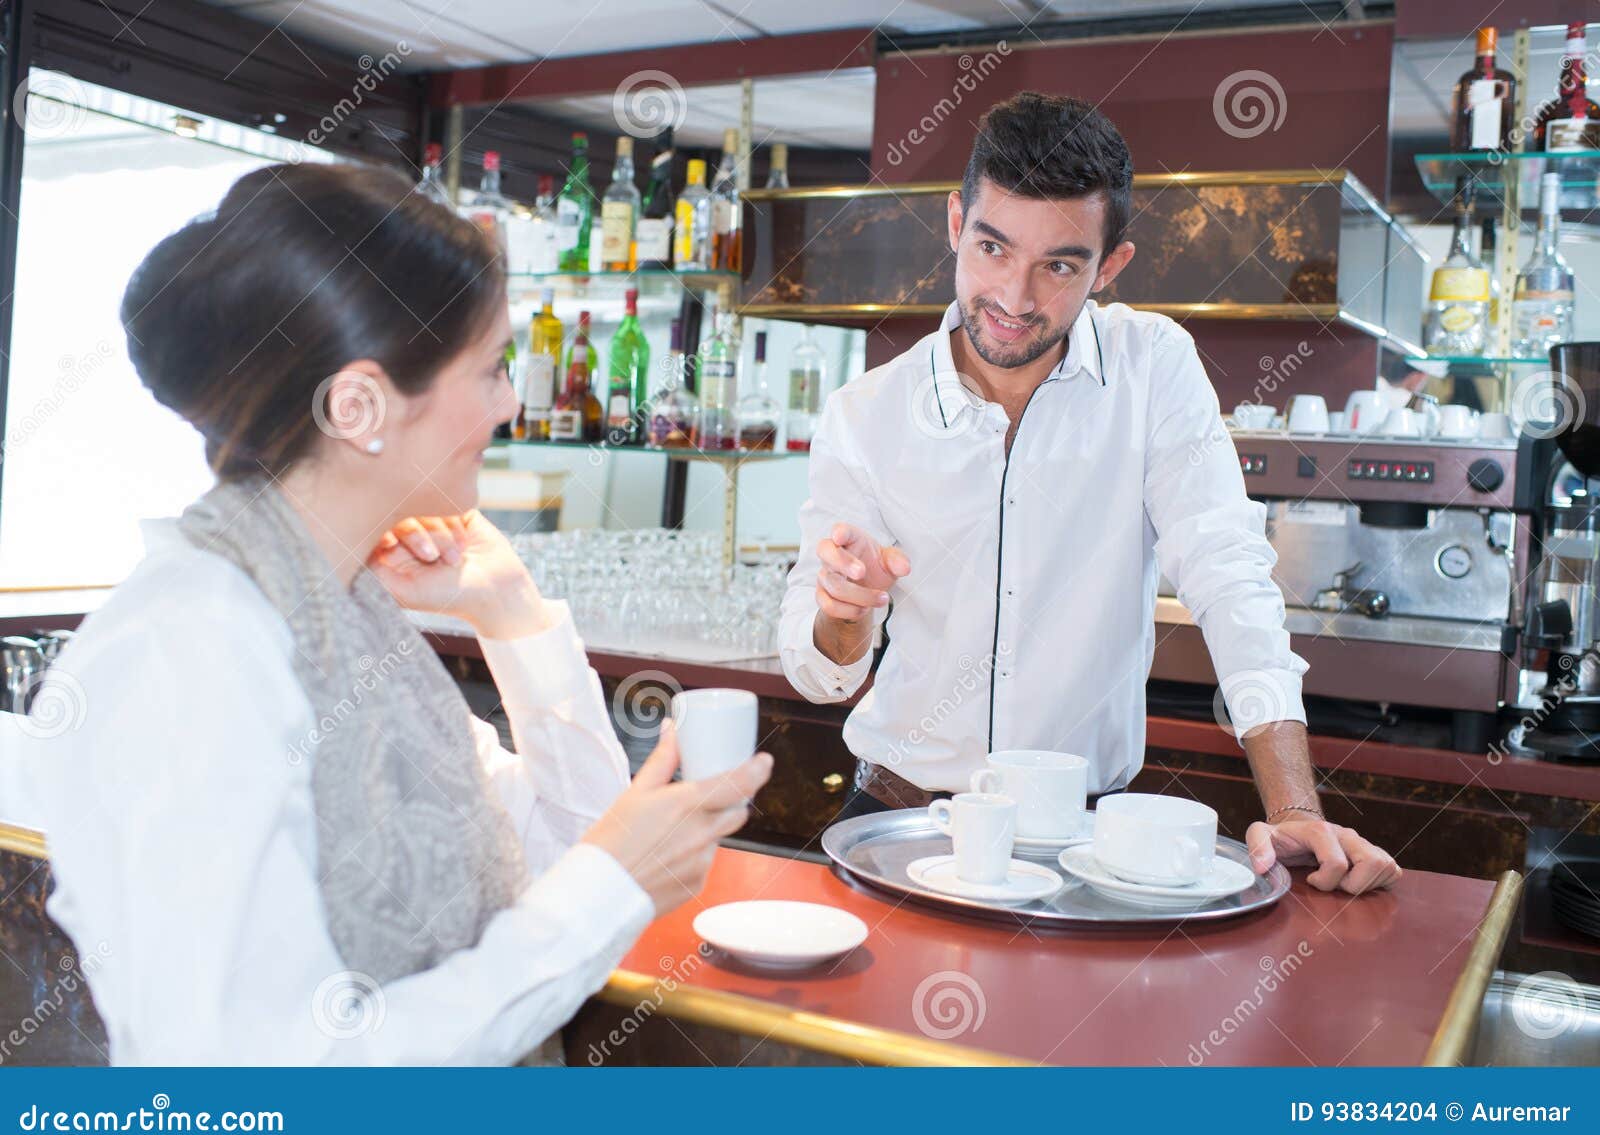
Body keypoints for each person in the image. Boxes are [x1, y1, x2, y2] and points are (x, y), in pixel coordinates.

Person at [28, 162, 770, 1064]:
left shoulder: (347, 610)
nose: (510, 402)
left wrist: (512, 613)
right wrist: (609, 888)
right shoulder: (188, 653)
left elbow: (565, 844)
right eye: (492, 368)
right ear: (358, 405)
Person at [780, 92, 1399, 895]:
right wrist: (842, 611)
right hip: (902, 821)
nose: (1014, 295)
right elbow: (817, 669)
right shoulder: (864, 413)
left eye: (1059, 265)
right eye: (993, 247)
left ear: (1110, 267)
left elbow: (1228, 573)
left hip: (1084, 839)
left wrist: (1292, 806)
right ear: (954, 222)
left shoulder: (1153, 368)